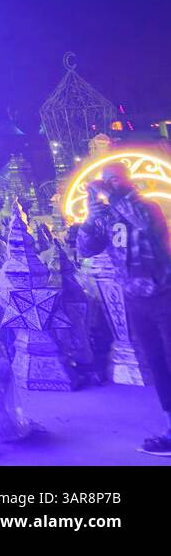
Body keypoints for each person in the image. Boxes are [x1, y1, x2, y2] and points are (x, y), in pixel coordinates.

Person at [74, 163, 171, 455]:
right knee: (157, 363)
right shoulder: (108, 217)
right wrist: (92, 211)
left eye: (115, 180)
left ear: (127, 181)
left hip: (164, 293)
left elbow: (140, 222)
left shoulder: (148, 207)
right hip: (135, 301)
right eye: (106, 182)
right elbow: (85, 248)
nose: (110, 185)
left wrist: (114, 195)